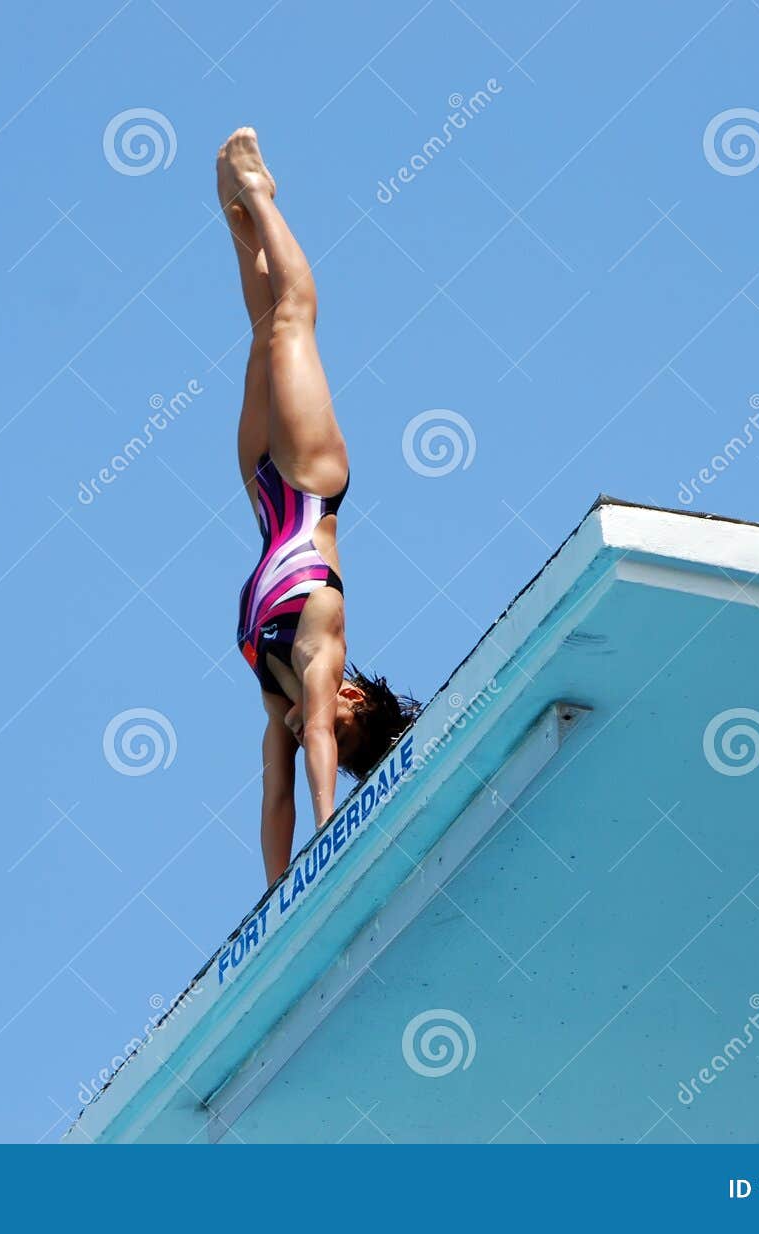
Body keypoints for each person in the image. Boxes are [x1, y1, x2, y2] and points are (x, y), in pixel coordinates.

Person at [217, 128, 420, 886]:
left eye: (307, 734)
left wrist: (277, 895)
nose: (306, 732)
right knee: (296, 315)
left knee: (266, 333)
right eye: (326, 724)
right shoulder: (319, 655)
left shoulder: (277, 702)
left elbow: (274, 797)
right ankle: (261, 195)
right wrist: (331, 836)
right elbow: (312, 780)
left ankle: (241, 226)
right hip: (308, 481)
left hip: (263, 493)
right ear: (349, 693)